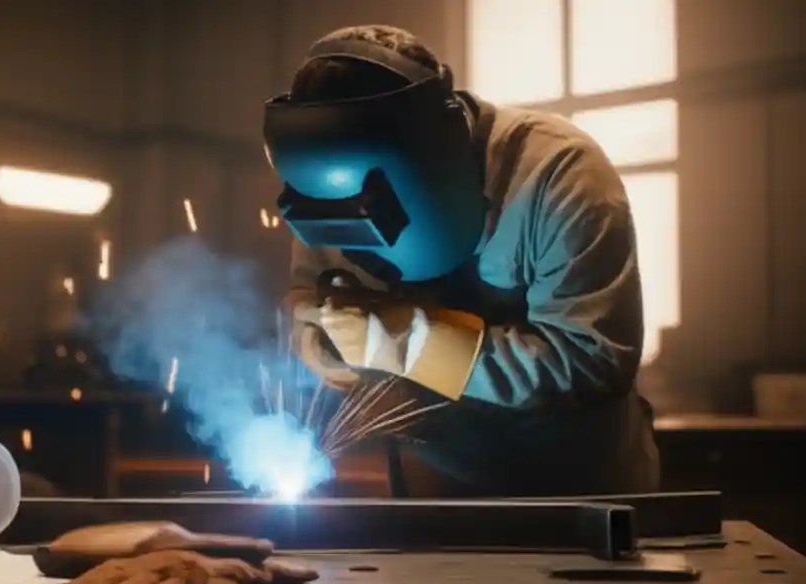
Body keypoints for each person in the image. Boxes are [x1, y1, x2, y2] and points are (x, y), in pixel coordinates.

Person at [263, 25, 660, 496]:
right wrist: (316, 337)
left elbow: (592, 362)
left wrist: (407, 342)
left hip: (577, 495)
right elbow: (307, 294)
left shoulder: (558, 173)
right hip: (431, 487)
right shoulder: (323, 180)